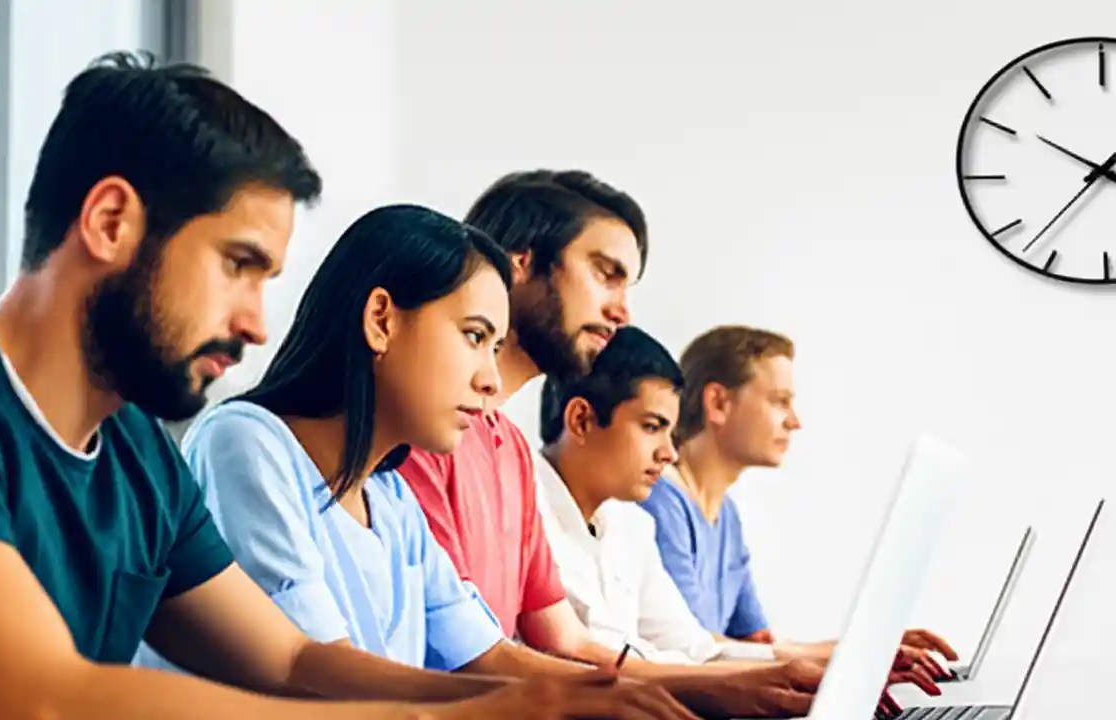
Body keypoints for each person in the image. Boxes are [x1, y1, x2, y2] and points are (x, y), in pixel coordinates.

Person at [0, 51, 673, 720]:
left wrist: (541, 700)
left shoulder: (134, 453)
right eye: (238, 266)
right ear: (110, 222)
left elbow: (289, 659)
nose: (256, 324)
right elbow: (37, 699)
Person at [134, 203, 694, 720]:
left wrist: (687, 691)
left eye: (495, 347)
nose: (490, 379)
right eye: (474, 336)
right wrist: (534, 701)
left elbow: (487, 654)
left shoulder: (392, 498)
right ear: (381, 319)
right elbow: (310, 668)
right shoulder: (245, 444)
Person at [397, 170, 825, 719]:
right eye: (606, 275)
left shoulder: (511, 454)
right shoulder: (424, 440)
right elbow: (470, 657)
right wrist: (723, 686)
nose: (624, 312)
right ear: (517, 262)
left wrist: (750, 682)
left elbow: (568, 643)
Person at [537, 327, 938, 718]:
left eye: (669, 431)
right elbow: (595, 661)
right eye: (652, 427)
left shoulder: (632, 525)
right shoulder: (535, 508)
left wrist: (838, 664)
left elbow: (697, 648)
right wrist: (798, 673)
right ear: (583, 421)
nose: (669, 453)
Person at [638, 325, 958, 684]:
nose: (795, 420)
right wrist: (853, 655)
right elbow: (696, 650)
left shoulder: (726, 515)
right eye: (779, 401)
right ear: (718, 403)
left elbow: (755, 642)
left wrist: (870, 649)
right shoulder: (658, 505)